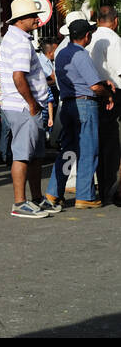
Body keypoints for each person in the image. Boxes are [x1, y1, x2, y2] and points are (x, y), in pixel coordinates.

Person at [43, 19, 111, 213]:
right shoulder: (81, 55)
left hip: (68, 104)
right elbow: (94, 86)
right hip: (84, 104)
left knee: (68, 150)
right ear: (87, 36)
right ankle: (85, 196)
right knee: (88, 150)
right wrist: (107, 94)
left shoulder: (62, 53)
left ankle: (54, 192)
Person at [1, 0, 54, 218]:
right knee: (23, 155)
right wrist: (32, 104)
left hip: (22, 105)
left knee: (34, 154)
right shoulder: (21, 41)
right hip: (24, 106)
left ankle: (35, 198)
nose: (37, 19)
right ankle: (20, 202)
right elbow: (18, 76)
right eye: (33, 16)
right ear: (21, 19)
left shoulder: (14, 37)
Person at [88, 5, 121, 205]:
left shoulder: (90, 38)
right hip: (113, 94)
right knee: (112, 145)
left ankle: (102, 187)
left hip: (96, 93)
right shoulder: (114, 40)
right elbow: (119, 70)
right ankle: (111, 189)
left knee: (100, 143)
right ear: (115, 20)